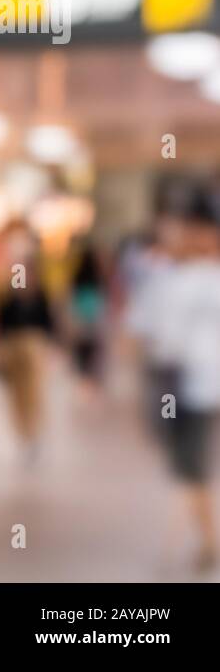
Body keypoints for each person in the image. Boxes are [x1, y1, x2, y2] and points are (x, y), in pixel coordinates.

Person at [127, 186, 220, 573]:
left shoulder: (209, 278)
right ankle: (203, 535)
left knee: (191, 466)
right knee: (184, 464)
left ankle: (206, 540)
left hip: (202, 386)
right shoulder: (164, 277)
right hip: (172, 383)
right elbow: (140, 329)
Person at [0, 225, 56, 465]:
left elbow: (46, 318)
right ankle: (24, 433)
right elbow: (2, 316)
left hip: (33, 343)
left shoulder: (38, 288)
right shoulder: (9, 287)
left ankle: (33, 432)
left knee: (34, 392)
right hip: (12, 343)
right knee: (17, 394)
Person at [67, 244, 107, 396]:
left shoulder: (76, 280)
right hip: (93, 325)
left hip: (81, 325)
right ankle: (91, 385)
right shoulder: (99, 280)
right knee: (92, 357)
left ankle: (85, 385)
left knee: (83, 356)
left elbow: (71, 303)